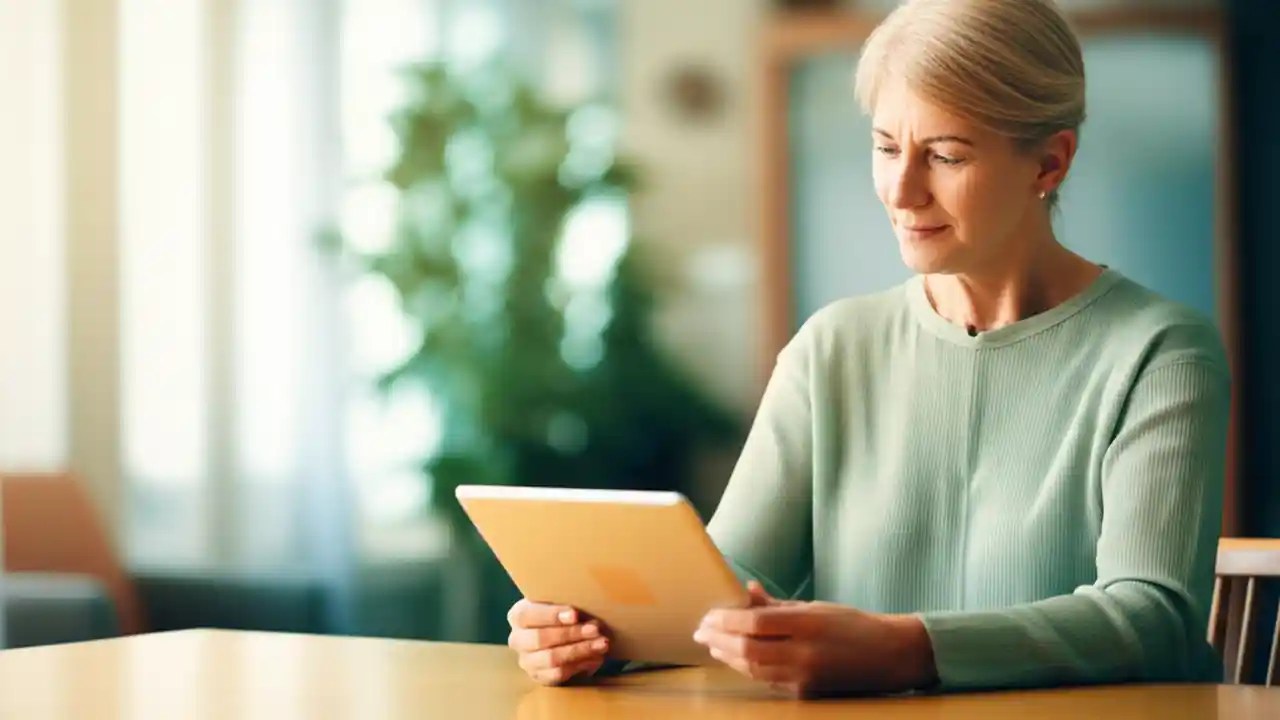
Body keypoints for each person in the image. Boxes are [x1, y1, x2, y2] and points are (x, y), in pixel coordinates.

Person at [504, 0, 1230, 696]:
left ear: (1049, 164)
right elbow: (725, 586)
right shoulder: (832, 348)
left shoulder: (1159, 352)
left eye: (945, 155)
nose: (901, 190)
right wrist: (595, 632)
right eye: (886, 147)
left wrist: (906, 649)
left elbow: (1154, 617)